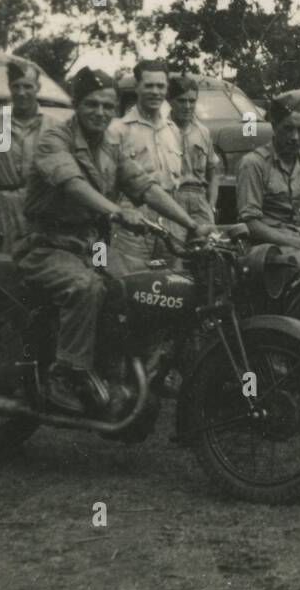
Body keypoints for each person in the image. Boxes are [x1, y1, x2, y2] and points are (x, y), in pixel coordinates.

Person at [16, 67, 205, 415]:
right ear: (76, 104)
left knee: (132, 289)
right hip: (48, 245)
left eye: (107, 106)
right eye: (91, 105)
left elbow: (146, 186)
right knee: (86, 287)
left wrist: (191, 224)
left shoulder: (112, 145)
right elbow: (73, 184)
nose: (100, 113)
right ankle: (64, 373)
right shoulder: (54, 140)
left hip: (93, 246)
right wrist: (116, 212)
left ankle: (116, 374)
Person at [236, 98, 300, 324]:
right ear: (274, 125)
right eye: (288, 129)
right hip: (266, 250)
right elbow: (251, 224)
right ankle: (291, 341)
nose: (295, 137)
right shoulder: (254, 164)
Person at [0, 59, 59, 252]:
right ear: (9, 88)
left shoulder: (54, 126)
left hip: (42, 207)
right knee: (7, 265)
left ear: (38, 87)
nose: (21, 92)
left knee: (42, 262)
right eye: (16, 86)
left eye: (27, 86)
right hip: (5, 207)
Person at [109, 59, 179, 268]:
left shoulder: (173, 130)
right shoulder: (118, 129)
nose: (155, 91)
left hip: (170, 220)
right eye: (149, 85)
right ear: (137, 86)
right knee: (132, 283)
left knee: (172, 285)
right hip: (134, 221)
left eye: (161, 86)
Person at [165, 74, 221, 225]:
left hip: (200, 199)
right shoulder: (161, 130)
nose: (187, 106)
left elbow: (213, 174)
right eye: (181, 101)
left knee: (210, 244)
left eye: (192, 101)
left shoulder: (203, 132)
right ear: (170, 101)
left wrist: (211, 206)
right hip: (172, 199)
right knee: (175, 245)